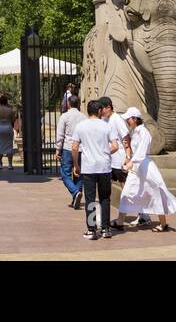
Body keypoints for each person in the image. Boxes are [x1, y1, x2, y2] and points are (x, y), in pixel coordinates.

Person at [117, 107, 176, 232]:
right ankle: (120, 221)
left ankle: (163, 224)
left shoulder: (143, 132)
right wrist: (129, 159)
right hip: (137, 167)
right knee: (127, 192)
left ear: (135, 119)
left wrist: (131, 162)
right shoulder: (135, 131)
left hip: (145, 167)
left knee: (156, 192)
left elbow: (141, 151)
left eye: (128, 119)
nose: (127, 121)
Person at [70, 99, 119, 240]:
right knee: (105, 198)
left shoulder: (81, 126)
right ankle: (106, 229)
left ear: (88, 111)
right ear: (99, 111)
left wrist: (76, 165)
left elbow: (74, 147)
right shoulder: (106, 126)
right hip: (104, 167)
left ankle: (92, 230)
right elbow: (115, 146)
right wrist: (105, 152)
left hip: (88, 167)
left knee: (90, 199)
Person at [99, 96, 131, 230]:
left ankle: (138, 215)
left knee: (127, 189)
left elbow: (126, 137)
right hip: (109, 161)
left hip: (119, 160)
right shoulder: (104, 119)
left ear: (108, 107)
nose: (101, 111)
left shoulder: (117, 119)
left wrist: (128, 156)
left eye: (102, 108)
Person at [55, 94, 87, 208]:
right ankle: (76, 196)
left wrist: (58, 149)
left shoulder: (65, 116)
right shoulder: (84, 117)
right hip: (81, 148)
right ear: (78, 104)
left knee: (65, 174)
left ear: (68, 103)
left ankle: (75, 192)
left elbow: (60, 134)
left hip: (68, 147)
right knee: (79, 173)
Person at [0, 94, 18, 168]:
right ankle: (10, 164)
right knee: (9, 146)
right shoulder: (10, 110)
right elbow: (13, 120)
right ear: (6, 102)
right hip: (8, 127)